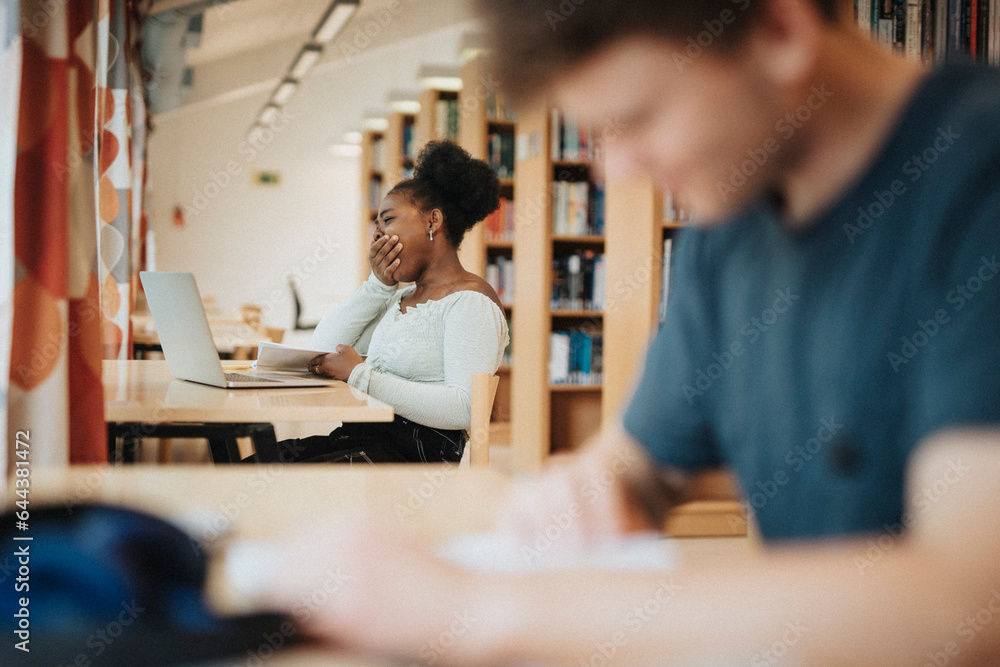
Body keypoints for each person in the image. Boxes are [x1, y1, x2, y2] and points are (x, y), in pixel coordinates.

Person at [239, 0, 1000, 664]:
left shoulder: (977, 177)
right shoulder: (728, 224)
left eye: (634, 119)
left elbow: (968, 604)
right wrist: (581, 490)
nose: (616, 175)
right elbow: (639, 465)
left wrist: (476, 611)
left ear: (779, 28)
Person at [276, 140, 508, 464]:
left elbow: (466, 408)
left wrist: (360, 375)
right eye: (376, 226)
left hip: (410, 464)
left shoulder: (470, 302)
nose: (377, 237)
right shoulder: (398, 299)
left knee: (270, 480)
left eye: (388, 220)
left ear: (432, 222)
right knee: (256, 463)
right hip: (361, 443)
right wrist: (377, 287)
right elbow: (322, 348)